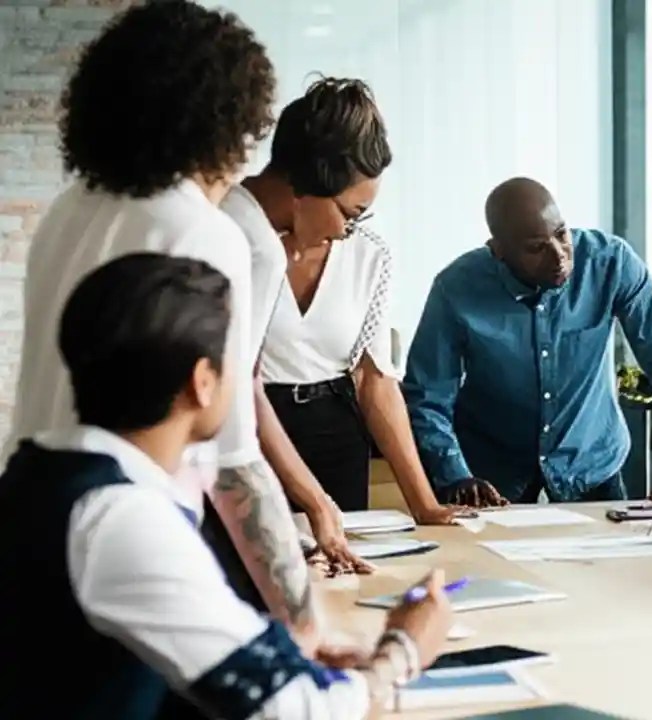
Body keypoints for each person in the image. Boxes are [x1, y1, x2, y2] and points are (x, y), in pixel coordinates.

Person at [0, 253, 453, 719]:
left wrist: (277, 660)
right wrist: (404, 649)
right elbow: (295, 712)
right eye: (243, 365)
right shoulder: (120, 517)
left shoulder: (40, 469)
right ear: (203, 382)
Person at [3, 0, 325, 647]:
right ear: (227, 121)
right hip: (134, 545)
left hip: (30, 516)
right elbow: (233, 460)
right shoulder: (206, 232)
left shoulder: (68, 211)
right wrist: (307, 628)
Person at [223, 77, 463, 526]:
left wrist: (424, 505)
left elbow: (376, 381)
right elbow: (240, 386)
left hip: (334, 432)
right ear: (307, 183)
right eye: (349, 213)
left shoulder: (369, 255)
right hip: (250, 434)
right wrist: (314, 502)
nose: (343, 232)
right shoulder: (235, 236)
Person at [403, 177, 652, 506]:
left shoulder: (610, 263)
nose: (559, 256)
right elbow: (428, 397)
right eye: (536, 248)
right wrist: (454, 475)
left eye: (561, 234)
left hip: (591, 465)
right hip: (490, 476)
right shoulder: (456, 289)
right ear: (498, 251)